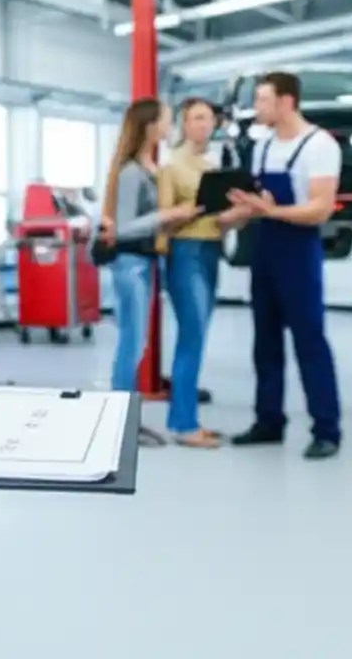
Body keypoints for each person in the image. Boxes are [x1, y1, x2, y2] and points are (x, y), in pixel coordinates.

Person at [228, 71, 344, 460]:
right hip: (265, 248)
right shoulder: (262, 145)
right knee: (265, 342)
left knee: (309, 341)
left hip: (299, 251)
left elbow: (320, 209)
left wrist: (271, 211)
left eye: (263, 100)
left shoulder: (319, 145)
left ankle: (327, 429)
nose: (256, 108)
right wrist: (233, 213)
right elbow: (258, 201)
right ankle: (269, 421)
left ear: (286, 102)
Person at [155, 99, 250, 448]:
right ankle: (184, 424)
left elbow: (219, 221)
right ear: (184, 123)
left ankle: (186, 418)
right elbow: (163, 219)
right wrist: (192, 211)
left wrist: (237, 215)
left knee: (198, 335)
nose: (204, 124)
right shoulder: (172, 165)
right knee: (191, 336)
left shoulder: (212, 167)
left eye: (208, 119)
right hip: (185, 253)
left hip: (212, 251)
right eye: (196, 118)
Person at [101, 98, 201, 396]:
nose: (171, 126)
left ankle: (124, 407)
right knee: (132, 341)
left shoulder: (152, 168)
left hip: (145, 262)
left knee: (136, 340)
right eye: (167, 120)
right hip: (130, 263)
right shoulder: (132, 171)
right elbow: (124, 228)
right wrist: (168, 214)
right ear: (151, 126)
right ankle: (120, 410)